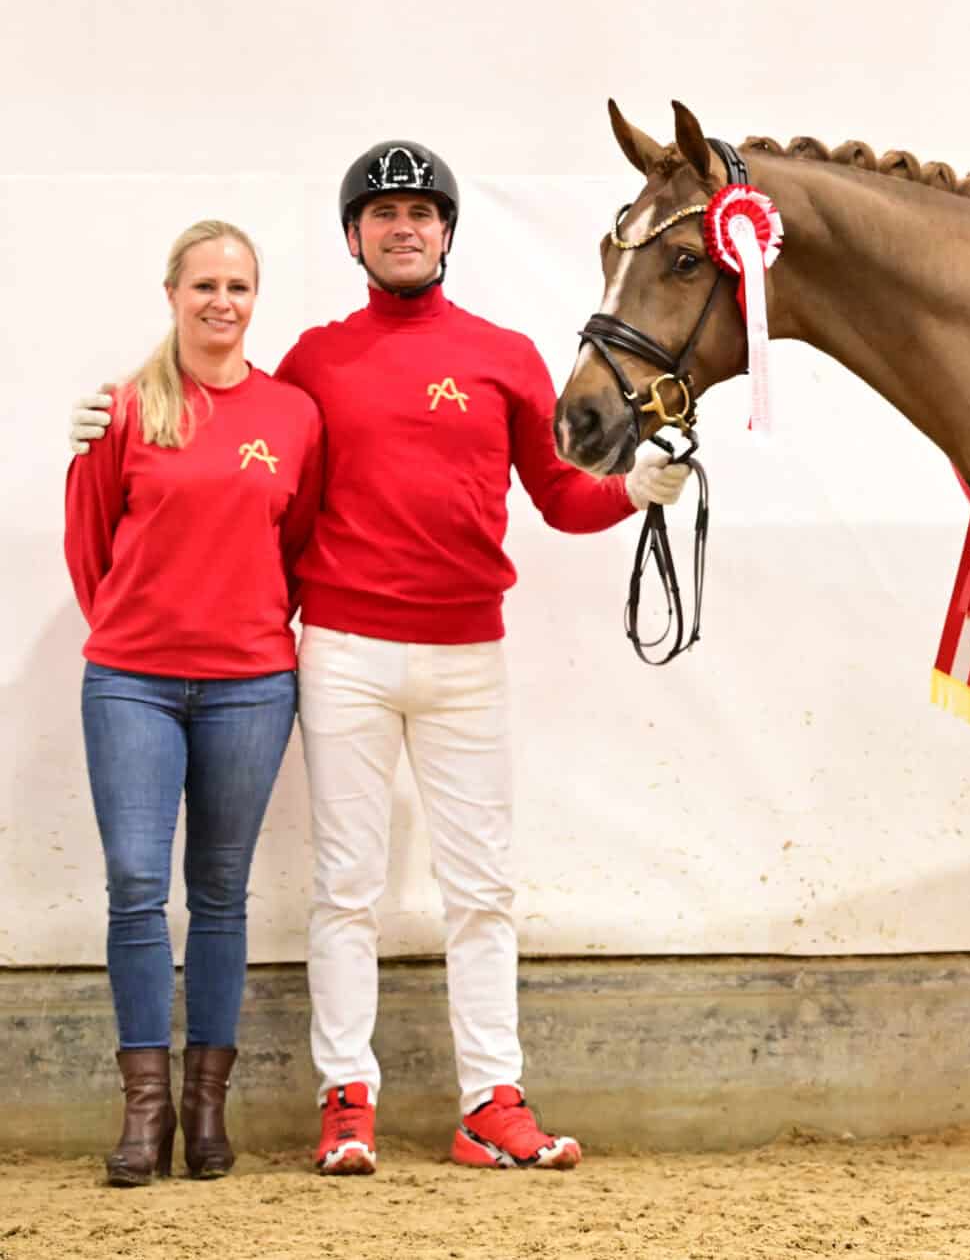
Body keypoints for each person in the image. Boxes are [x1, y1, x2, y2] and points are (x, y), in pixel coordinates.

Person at [71, 142, 692, 1175]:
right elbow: (237, 442)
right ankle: (345, 1097)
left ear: (447, 232)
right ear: (355, 236)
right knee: (345, 887)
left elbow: (556, 491)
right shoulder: (313, 361)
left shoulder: (503, 354)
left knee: (484, 887)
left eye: (423, 212)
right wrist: (108, 415)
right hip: (345, 653)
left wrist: (631, 491)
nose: (405, 227)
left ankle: (491, 1098)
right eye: (383, 213)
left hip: (468, 657)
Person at [65, 220, 323, 1185]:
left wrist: (236, 630)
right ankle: (144, 1112)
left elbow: (297, 545)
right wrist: (147, 630)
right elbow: (89, 546)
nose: (223, 301)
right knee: (136, 884)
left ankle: (206, 1106)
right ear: (172, 293)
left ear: (257, 301)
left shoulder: (293, 415)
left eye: (240, 286)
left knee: (220, 894)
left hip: (251, 686)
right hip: (130, 681)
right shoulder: (125, 409)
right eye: (206, 283)